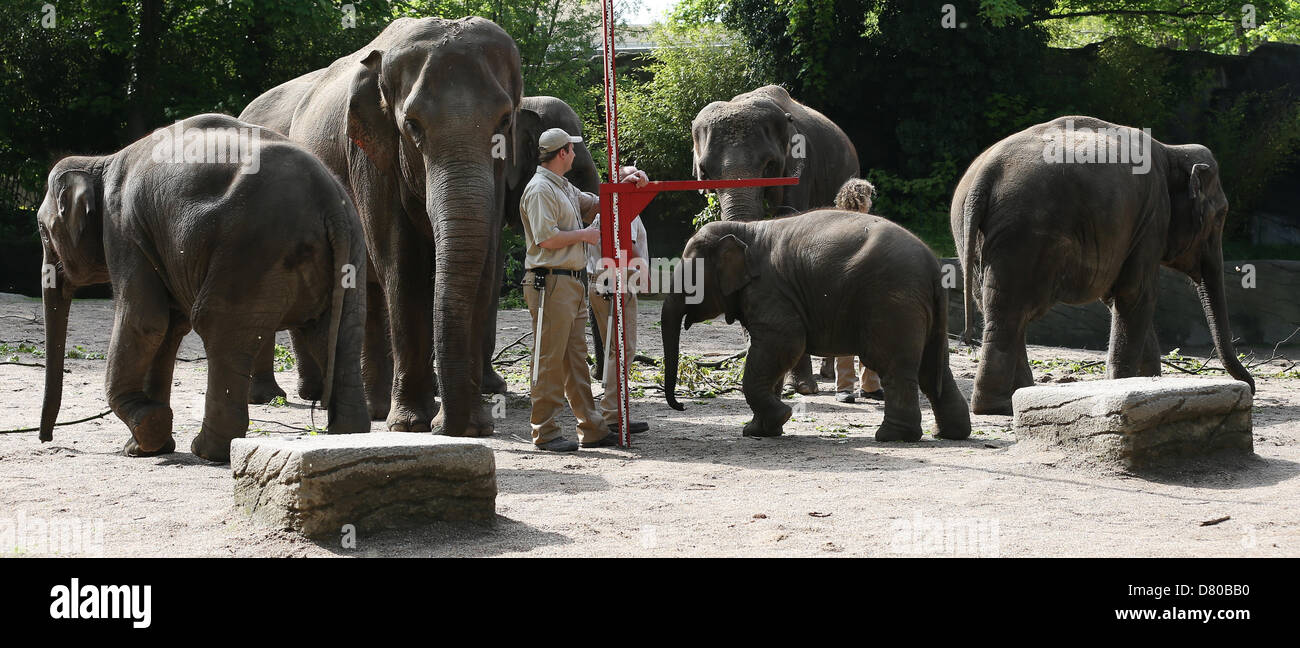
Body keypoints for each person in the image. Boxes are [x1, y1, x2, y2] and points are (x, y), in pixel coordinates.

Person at [519, 127, 648, 452]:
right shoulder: (539, 190)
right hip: (550, 280)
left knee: (575, 359)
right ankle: (544, 430)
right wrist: (585, 236)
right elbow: (545, 238)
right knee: (549, 358)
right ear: (561, 153)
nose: (576, 155)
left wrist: (627, 184)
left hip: (571, 280)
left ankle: (590, 427)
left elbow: (597, 203)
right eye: (572, 150)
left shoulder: (563, 187)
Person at [587, 208, 651, 437]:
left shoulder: (603, 209)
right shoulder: (625, 210)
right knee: (623, 349)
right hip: (617, 279)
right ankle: (613, 414)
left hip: (598, 279)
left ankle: (613, 411)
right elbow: (629, 246)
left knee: (615, 349)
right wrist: (645, 276)